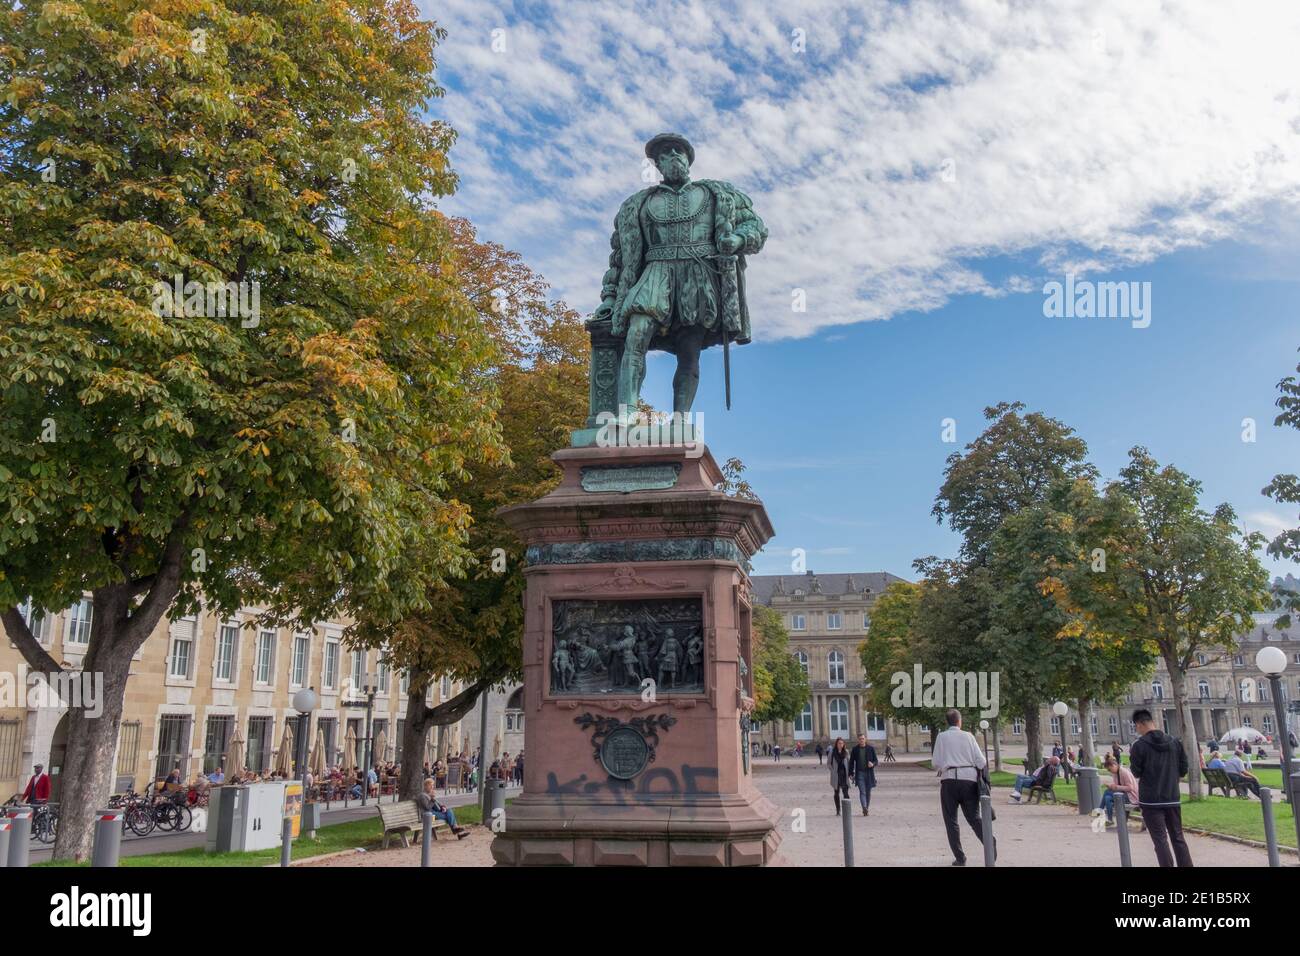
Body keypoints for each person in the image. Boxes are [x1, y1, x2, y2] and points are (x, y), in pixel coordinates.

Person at [1129, 708, 1192, 867]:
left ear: (1140, 724)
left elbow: (1136, 772)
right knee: (1178, 837)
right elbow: (1184, 768)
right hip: (1171, 796)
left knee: (1160, 839)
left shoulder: (1139, 746)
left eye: (1137, 726)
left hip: (1151, 800)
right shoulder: (1174, 742)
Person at [932, 709, 992, 866]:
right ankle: (989, 842)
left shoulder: (941, 737)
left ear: (947, 722)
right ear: (960, 721)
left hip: (949, 781)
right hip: (969, 781)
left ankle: (960, 857)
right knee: (974, 818)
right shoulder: (968, 736)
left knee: (951, 821)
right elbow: (981, 761)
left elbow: (935, 763)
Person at [1101, 753, 1138, 824]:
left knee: (1107, 792)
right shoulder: (1115, 773)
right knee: (1107, 798)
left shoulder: (1124, 772)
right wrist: (1111, 786)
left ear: (1114, 765)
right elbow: (1117, 786)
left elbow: (1130, 788)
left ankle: (1100, 809)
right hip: (1122, 794)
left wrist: (1115, 787)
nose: (1109, 771)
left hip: (1131, 796)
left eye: (1109, 769)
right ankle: (1110, 820)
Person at [848, 734, 878, 817]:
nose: (861, 740)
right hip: (859, 773)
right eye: (860, 739)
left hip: (869, 773)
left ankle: (866, 809)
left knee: (868, 792)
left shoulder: (870, 749)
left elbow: (876, 761)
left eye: (863, 739)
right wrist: (850, 773)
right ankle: (864, 807)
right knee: (862, 791)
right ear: (858, 740)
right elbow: (851, 762)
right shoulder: (855, 749)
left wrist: (872, 764)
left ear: (865, 739)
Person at [828, 737, 851, 815]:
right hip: (836, 775)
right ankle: (838, 810)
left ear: (844, 744)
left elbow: (849, 762)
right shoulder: (832, 752)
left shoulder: (846, 752)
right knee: (836, 793)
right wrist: (833, 771)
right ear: (836, 744)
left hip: (844, 775)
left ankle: (847, 810)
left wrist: (850, 772)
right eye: (839, 743)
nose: (840, 745)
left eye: (842, 743)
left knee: (846, 792)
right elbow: (828, 764)